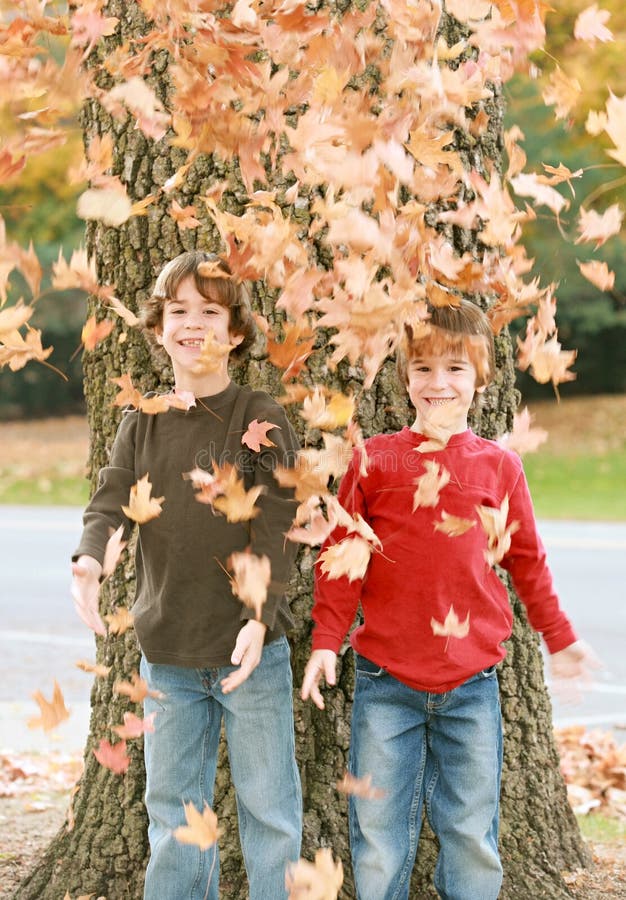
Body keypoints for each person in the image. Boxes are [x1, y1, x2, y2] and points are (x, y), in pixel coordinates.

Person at [301, 299, 596, 900]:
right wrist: (326, 643)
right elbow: (340, 564)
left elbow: (528, 565)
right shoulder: (374, 460)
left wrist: (560, 639)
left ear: (481, 378)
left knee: (469, 831)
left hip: (472, 686)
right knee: (379, 832)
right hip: (386, 681)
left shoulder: (500, 468)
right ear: (405, 377)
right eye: (424, 369)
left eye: (456, 369)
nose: (439, 383)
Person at [71, 251, 302, 900]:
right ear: (158, 326)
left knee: (270, 814)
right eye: (178, 311)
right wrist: (89, 560)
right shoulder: (141, 420)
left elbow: (276, 530)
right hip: (167, 655)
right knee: (174, 817)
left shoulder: (259, 417)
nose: (192, 323)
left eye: (210, 311)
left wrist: (261, 620)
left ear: (235, 332)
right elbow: (112, 498)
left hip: (249, 653)